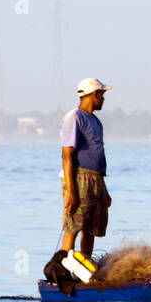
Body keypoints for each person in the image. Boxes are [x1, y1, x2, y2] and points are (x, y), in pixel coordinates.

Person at [59, 78, 113, 259]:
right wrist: (72, 191)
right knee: (73, 226)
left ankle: (83, 267)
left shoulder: (96, 121)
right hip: (79, 177)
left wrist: (104, 191)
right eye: (102, 95)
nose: (104, 99)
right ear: (94, 94)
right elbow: (66, 155)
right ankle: (63, 269)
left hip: (96, 179)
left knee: (91, 228)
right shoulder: (74, 118)